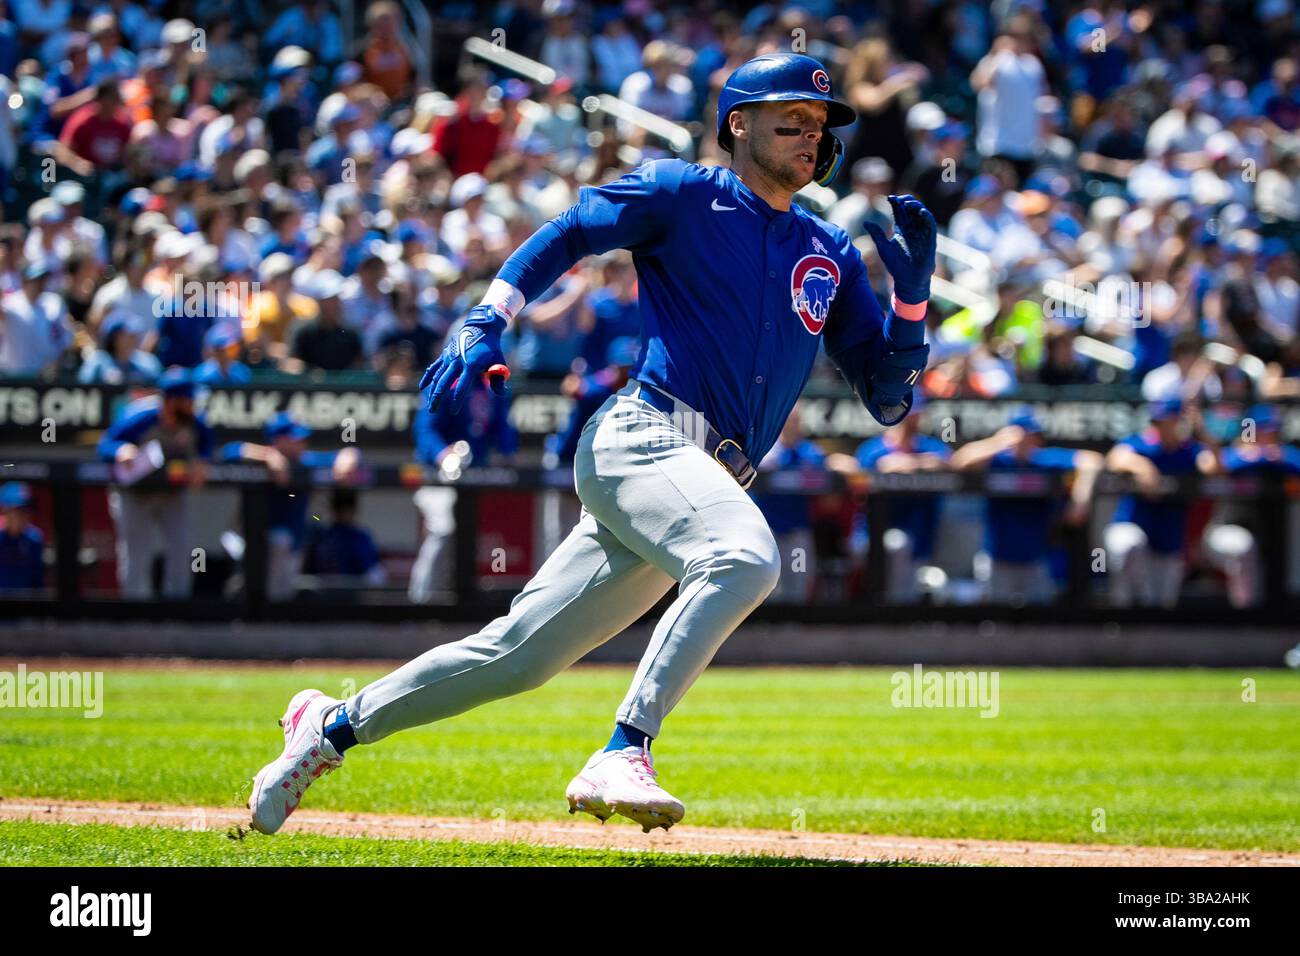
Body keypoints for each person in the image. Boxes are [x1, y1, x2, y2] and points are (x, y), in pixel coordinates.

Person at [247, 53, 935, 837]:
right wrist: (489, 313)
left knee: (516, 656)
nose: (812, 133)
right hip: (643, 437)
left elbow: (886, 398)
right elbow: (572, 230)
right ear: (738, 123)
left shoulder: (832, 248)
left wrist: (911, 300)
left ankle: (329, 725)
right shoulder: (682, 190)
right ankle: (624, 747)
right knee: (744, 557)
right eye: (793, 117)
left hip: (700, 481)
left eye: (820, 124)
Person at [407, 326, 519, 603]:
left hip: (473, 475)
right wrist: (443, 454)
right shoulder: (444, 379)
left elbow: (502, 430)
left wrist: (507, 453)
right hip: (437, 474)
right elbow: (424, 431)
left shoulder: (491, 384)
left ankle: (460, 607)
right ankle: (420, 603)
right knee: (443, 530)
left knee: (468, 536)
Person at [951, 409, 1103, 605]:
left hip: (1036, 559)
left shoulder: (1044, 459)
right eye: (1023, 434)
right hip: (997, 557)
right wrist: (998, 442)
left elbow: (1092, 460)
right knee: (994, 621)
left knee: (1038, 621)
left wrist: (1081, 498)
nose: (1027, 440)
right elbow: (959, 462)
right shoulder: (998, 460)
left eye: (1032, 435)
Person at [96, 368, 212, 600]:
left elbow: (207, 442)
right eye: (189, 400)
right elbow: (104, 444)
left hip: (171, 492)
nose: (193, 405)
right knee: (137, 554)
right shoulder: (143, 417)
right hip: (135, 493)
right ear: (172, 401)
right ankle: (136, 614)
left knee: (181, 549)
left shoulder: (195, 422)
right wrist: (121, 449)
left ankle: (176, 609)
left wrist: (202, 461)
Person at [220, 412, 360, 601]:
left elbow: (348, 453)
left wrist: (347, 458)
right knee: (275, 546)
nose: (303, 443)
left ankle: (273, 614)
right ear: (279, 440)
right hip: (250, 542)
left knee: (281, 589)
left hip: (292, 544)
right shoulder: (262, 457)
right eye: (295, 439)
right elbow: (228, 452)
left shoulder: (305, 461)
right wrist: (268, 456)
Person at [1103, 400, 1216, 607]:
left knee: (1163, 604)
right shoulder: (1143, 444)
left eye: (1168, 421)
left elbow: (1214, 468)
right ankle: (1118, 620)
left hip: (1170, 538)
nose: (1161, 426)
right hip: (1135, 526)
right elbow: (1114, 457)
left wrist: (1204, 432)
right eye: (1159, 421)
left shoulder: (1189, 451)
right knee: (1128, 546)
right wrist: (1143, 467)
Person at [852, 393, 951, 603]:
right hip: (869, 533)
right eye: (910, 414)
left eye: (917, 415)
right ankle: (889, 608)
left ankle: (898, 611)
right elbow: (859, 481)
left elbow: (947, 462)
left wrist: (909, 463)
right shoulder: (873, 448)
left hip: (920, 533)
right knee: (897, 543)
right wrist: (894, 464)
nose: (914, 419)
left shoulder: (929, 447)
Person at [1202, 405, 1300, 608]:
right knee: (1244, 547)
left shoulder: (1284, 454)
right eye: (1264, 430)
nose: (1270, 434)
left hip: (1271, 538)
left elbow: (1295, 462)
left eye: (1273, 430)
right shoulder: (1237, 453)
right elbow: (1228, 463)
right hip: (1225, 529)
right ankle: (1244, 613)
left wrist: (1271, 456)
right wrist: (1258, 453)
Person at [752, 403, 827, 604]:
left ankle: (797, 629)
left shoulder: (810, 452)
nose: (793, 425)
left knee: (799, 581)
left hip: (796, 532)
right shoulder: (765, 449)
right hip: (768, 532)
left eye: (796, 420)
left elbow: (827, 478)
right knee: (769, 586)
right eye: (789, 420)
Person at [303, 489, 386, 586]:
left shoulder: (320, 535)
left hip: (322, 596)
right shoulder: (358, 538)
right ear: (354, 511)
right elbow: (375, 577)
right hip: (347, 597)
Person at [0, 481, 44, 592]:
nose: (23, 515)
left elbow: (37, 581)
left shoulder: (34, 539)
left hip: (26, 604)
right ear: (5, 511)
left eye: (26, 510)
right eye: (18, 510)